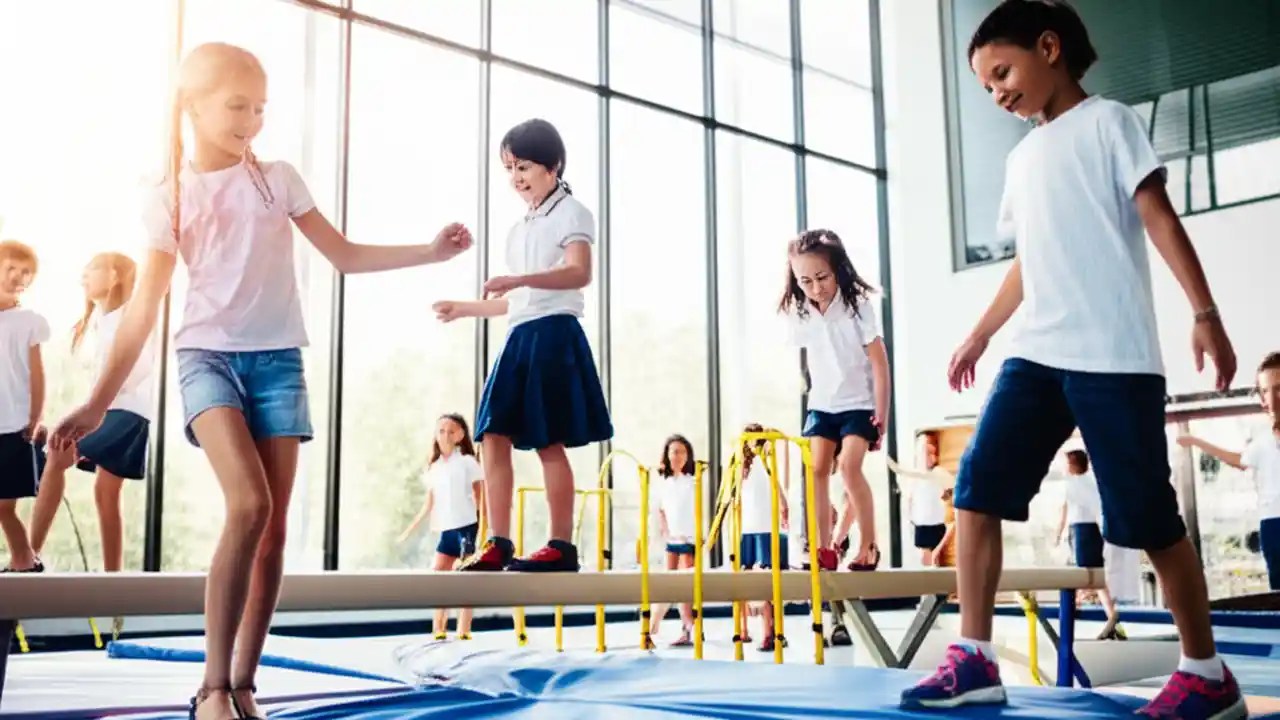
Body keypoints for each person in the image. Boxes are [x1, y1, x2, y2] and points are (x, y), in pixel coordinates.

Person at [48, 42, 473, 720]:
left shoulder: (279, 178)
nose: (252, 119)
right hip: (206, 359)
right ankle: (210, 687)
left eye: (261, 108)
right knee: (248, 506)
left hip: (279, 361)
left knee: (271, 532)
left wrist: (429, 250)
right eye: (237, 105)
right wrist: (97, 403)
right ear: (192, 103)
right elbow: (145, 310)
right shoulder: (168, 198)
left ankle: (245, 686)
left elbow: (345, 255)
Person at [899, 3, 1244, 717]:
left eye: (1003, 72)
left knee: (1150, 520)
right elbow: (1031, 260)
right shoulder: (1022, 158)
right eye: (985, 85)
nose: (996, 93)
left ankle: (1206, 673)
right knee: (977, 489)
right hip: (1036, 352)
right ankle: (974, 658)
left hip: (1112, 354)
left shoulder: (1110, 122)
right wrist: (981, 333)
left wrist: (1205, 313)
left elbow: (1156, 215)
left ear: (1048, 48)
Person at [434, 118, 612, 573]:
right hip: (522, 334)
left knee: (547, 441)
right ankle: (499, 541)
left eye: (525, 166)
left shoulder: (573, 212)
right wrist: (464, 307)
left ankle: (560, 545)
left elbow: (579, 273)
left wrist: (518, 278)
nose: (516, 177)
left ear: (553, 166)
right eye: (509, 167)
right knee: (492, 435)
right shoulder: (521, 226)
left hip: (553, 333)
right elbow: (515, 304)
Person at [25, 253, 156, 574]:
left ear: (115, 276)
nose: (83, 277)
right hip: (120, 411)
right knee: (106, 494)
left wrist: (94, 407)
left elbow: (137, 368)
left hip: (125, 411)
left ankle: (28, 558)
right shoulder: (103, 319)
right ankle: (115, 579)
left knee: (57, 456)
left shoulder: (131, 314)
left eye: (92, 269)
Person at [779, 229, 891, 572]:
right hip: (822, 405)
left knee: (849, 467)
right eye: (805, 280)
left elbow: (879, 362)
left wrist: (881, 414)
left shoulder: (858, 307)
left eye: (822, 277)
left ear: (838, 270)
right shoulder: (800, 311)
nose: (815, 288)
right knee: (814, 471)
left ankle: (868, 546)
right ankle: (822, 548)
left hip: (858, 404)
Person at [1178, 352, 1280, 591]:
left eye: (1279, 389)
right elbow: (1238, 459)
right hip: (1272, 525)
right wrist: (1195, 441)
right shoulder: (1261, 442)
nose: (1272, 400)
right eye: (1265, 391)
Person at [398, 413, 483, 640]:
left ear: (460, 435)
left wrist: (485, 527)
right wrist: (409, 530)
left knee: (465, 578)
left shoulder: (467, 462)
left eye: (451, 431)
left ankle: (464, 630)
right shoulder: (434, 468)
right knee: (439, 575)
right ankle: (438, 628)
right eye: (441, 431)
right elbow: (430, 503)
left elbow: (480, 497)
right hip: (447, 528)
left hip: (467, 526)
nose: (445, 435)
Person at [0, 240, 49, 573]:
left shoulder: (30, 321)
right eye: (10, 268)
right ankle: (25, 561)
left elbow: (37, 373)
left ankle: (24, 562)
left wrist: (35, 417)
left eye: (25, 272)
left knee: (4, 506)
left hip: (13, 425)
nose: (17, 277)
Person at [1052, 450, 1123, 639]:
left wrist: (1057, 535)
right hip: (1092, 530)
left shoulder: (1071, 484)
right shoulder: (1093, 483)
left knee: (1080, 573)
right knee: (1095, 573)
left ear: (1073, 466)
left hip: (1080, 530)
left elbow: (1064, 512)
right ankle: (1108, 612)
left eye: (1066, 464)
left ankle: (1075, 606)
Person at [650, 434, 698, 646]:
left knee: (685, 587)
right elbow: (660, 510)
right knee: (668, 585)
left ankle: (689, 628)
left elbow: (698, 510)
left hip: (688, 538)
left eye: (681, 452)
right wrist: (665, 530)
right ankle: (653, 627)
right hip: (672, 539)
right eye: (673, 452)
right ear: (667, 455)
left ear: (687, 456)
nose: (677, 456)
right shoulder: (664, 482)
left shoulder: (693, 482)